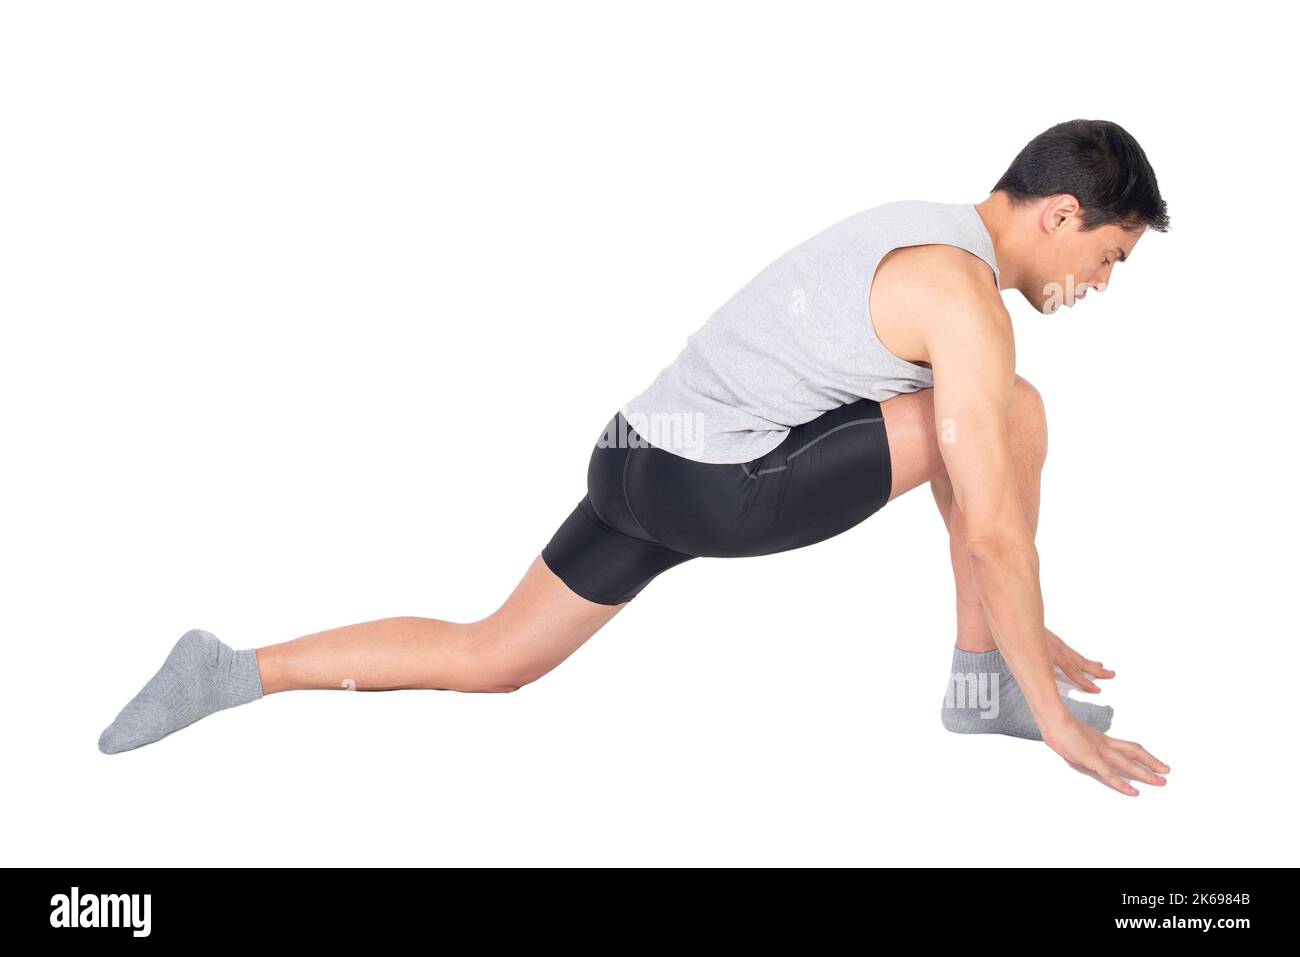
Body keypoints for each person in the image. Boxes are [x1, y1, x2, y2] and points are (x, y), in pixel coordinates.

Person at [98, 118, 1172, 796]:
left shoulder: (916, 224)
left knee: (493, 656)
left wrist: (1015, 616)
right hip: (720, 490)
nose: (1101, 285)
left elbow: (962, 483)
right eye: (1109, 257)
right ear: (1063, 214)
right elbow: (986, 516)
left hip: (628, 459)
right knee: (1012, 412)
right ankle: (986, 691)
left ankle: (234, 669)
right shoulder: (967, 304)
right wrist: (1041, 696)